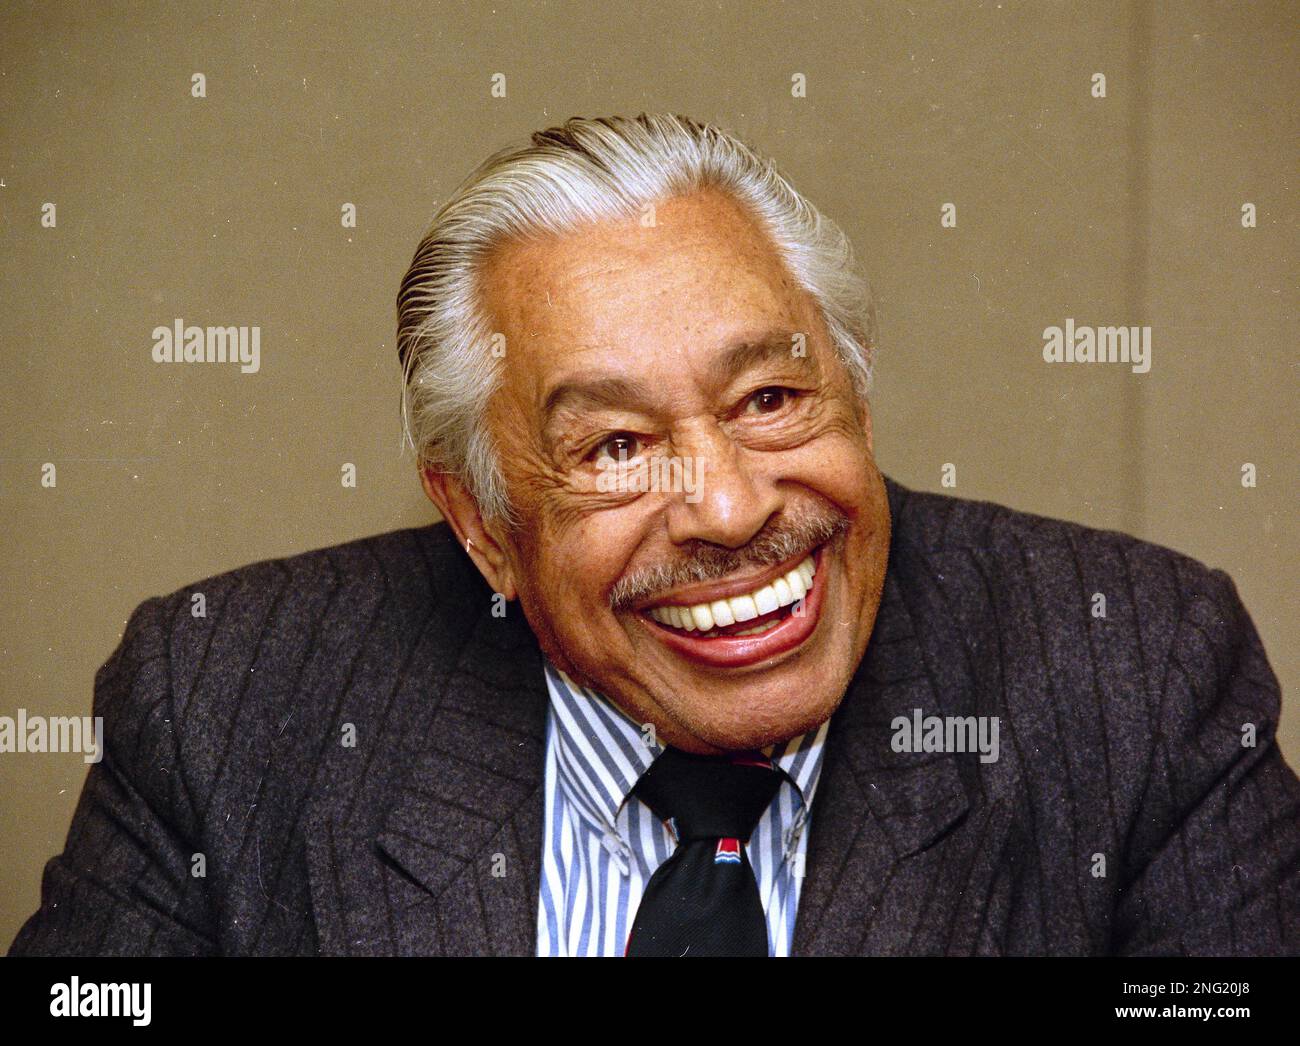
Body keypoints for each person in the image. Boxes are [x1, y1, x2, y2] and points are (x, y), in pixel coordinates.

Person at [11, 114, 1298, 956]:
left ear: (857, 390)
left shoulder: (1134, 668)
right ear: (483, 527)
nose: (733, 507)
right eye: (614, 447)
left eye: (772, 400)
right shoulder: (228, 695)